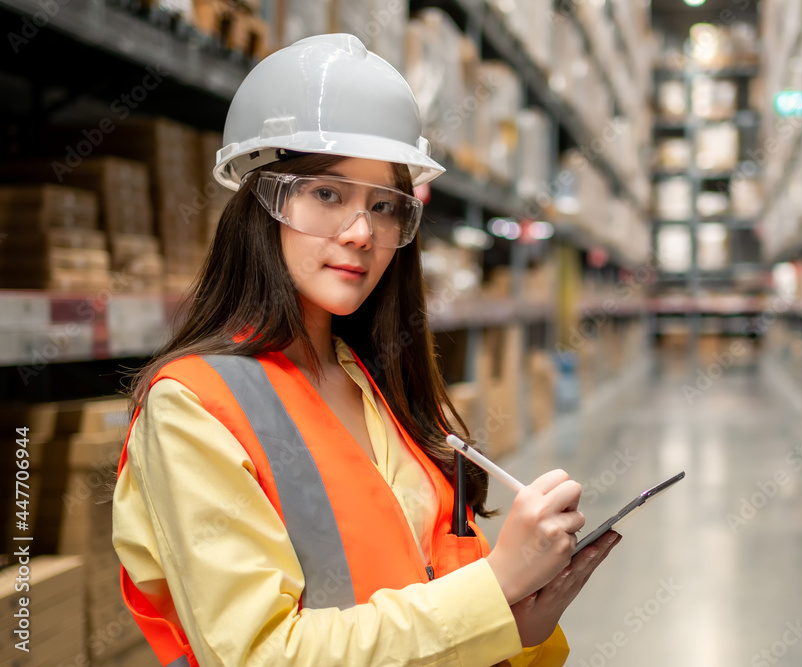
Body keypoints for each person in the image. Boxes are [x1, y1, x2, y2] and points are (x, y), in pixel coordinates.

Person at [112, 33, 620, 667]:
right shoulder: (193, 409)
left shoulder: (375, 382)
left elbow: (430, 592)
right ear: (261, 200)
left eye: (384, 206)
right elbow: (262, 655)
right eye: (328, 194)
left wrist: (521, 626)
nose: (361, 232)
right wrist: (496, 589)